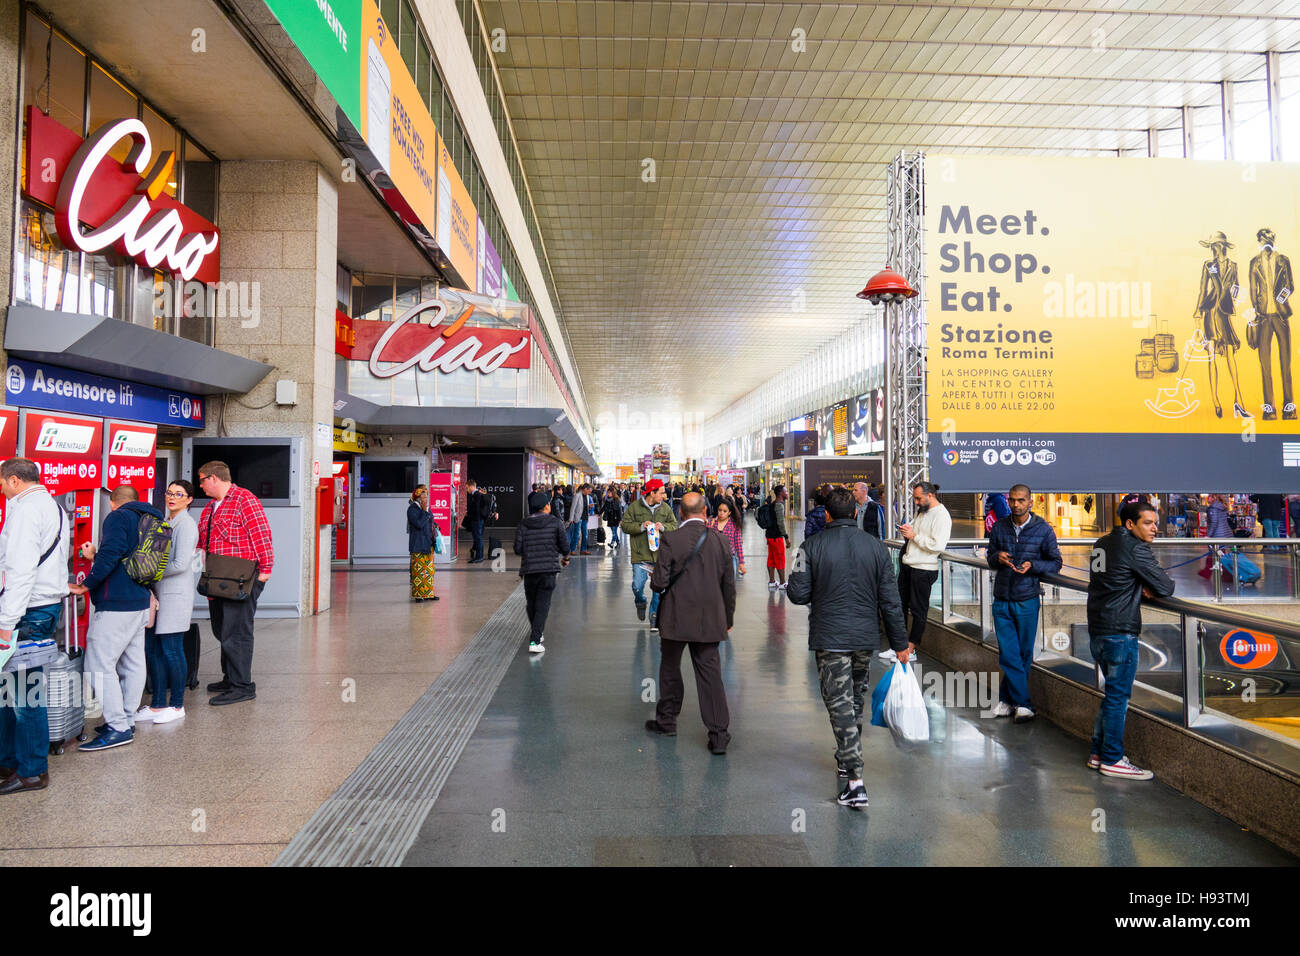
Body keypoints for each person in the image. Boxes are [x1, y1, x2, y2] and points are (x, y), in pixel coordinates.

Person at [788, 488, 909, 808]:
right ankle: (846, 758)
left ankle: (855, 781)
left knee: (839, 703)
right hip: (865, 638)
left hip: (831, 638)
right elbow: (891, 601)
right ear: (855, 513)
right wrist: (900, 644)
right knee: (854, 700)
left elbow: (797, 595)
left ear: (826, 515)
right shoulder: (877, 547)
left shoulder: (809, 546)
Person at [1086, 501, 1175, 779]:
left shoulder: (1102, 542)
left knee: (1111, 696)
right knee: (1118, 698)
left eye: (1155, 522)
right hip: (1120, 631)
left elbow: (1112, 577)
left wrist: (1135, 581)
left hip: (1098, 628)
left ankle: (1098, 753)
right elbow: (1166, 586)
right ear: (1130, 524)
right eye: (1148, 523)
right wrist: (1143, 582)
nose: (1154, 528)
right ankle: (1113, 759)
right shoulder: (1135, 548)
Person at [69, 485, 161, 751]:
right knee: (133, 661)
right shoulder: (152, 518)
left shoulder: (118, 517)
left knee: (98, 664)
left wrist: (87, 582)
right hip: (139, 599)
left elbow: (111, 555)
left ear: (112, 502)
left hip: (117, 601)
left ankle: (118, 727)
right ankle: (127, 719)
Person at [645, 492, 735, 755]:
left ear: (680, 514)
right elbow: (728, 585)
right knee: (710, 674)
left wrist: (656, 577)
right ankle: (719, 735)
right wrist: (727, 618)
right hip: (710, 619)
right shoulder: (720, 540)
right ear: (706, 511)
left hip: (675, 617)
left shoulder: (671, 539)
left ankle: (667, 721)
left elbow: (660, 583)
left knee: (670, 668)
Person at [0, 458, 69, 794]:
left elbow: (20, 571)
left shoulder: (26, 511)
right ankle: (10, 762)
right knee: (10, 691)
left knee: (25, 695)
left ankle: (31, 771)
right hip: (43, 607)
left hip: (28, 612)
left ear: (14, 480)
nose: (1, 489)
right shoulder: (53, 507)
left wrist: (5, 622)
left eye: (2, 483)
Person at [196, 460, 274, 705]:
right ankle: (229, 678)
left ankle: (242, 686)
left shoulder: (244, 500)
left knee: (237, 633)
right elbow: (201, 540)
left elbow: (261, 534)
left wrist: (265, 571)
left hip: (241, 581)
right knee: (222, 630)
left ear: (214, 478)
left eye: (202, 480)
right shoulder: (210, 507)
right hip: (216, 581)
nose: (200, 486)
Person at [985, 484, 1062, 723]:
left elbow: (1055, 562)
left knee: (1024, 653)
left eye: (1020, 500)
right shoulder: (999, 527)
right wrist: (997, 557)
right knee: (1009, 654)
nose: (1015, 504)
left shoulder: (1043, 530)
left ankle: (1008, 700)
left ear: (1031, 502)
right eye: (1012, 500)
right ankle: (1024, 704)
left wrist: (1033, 566)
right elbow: (990, 558)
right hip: (1002, 599)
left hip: (1027, 599)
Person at [136, 480, 200, 725]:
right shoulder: (166, 521)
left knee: (171, 650)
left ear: (189, 499)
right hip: (157, 594)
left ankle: (177, 705)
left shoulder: (186, 524)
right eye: (169, 493)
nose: (172, 497)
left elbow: (180, 564)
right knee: (153, 650)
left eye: (179, 494)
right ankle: (158, 704)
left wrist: (149, 572)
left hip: (174, 595)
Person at [889, 481, 952, 663]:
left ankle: (911, 649)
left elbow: (937, 545)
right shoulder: (922, 511)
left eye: (918, 498)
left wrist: (914, 536)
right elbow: (916, 535)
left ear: (930, 496)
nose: (916, 502)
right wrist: (909, 532)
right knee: (899, 606)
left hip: (923, 569)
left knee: (918, 610)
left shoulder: (941, 516)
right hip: (910, 566)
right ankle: (899, 647)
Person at [1194, 231, 1249, 419]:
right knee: (1211, 356)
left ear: (1222, 246)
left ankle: (1238, 400)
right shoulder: (1208, 266)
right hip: (1210, 312)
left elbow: (1236, 288)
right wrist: (1197, 312)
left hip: (1224, 314)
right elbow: (1203, 289)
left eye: (1216, 246)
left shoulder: (1233, 266)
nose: (1214, 249)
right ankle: (1216, 400)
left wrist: (1235, 298)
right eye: (1212, 247)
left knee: (1230, 356)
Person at [514, 491, 571, 654]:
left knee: (532, 604)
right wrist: (566, 558)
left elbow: (517, 549)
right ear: (546, 506)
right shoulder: (555, 522)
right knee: (543, 605)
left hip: (529, 570)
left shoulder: (523, 523)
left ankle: (536, 632)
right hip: (548, 570)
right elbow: (565, 546)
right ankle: (535, 640)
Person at [1248, 227, 1294, 421]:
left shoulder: (1283, 260)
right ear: (1260, 241)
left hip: (1281, 317)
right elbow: (1252, 289)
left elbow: (1290, 286)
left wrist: (1280, 299)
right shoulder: (1254, 263)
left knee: (1285, 365)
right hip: (1264, 319)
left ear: (1273, 240)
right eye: (1263, 239)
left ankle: (1289, 408)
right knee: (1265, 366)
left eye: (1269, 239)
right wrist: (1256, 310)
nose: (1266, 242)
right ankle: (1269, 409)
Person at [620, 478, 678, 629]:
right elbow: (625, 525)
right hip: (641, 555)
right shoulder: (634, 507)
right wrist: (640, 526)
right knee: (637, 586)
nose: (664, 496)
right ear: (652, 493)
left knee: (659, 589)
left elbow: (674, 525)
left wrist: (663, 526)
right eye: (661, 492)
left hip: (660, 556)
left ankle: (654, 616)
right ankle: (640, 601)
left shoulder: (665, 508)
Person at [1205, 493, 1260, 585]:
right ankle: (1209, 573)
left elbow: (1214, 523)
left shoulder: (1213, 508)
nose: (1207, 498)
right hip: (1226, 534)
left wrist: (1208, 536)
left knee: (1218, 556)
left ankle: (1225, 576)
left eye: (1209, 496)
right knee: (1221, 555)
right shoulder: (1222, 507)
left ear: (1213, 497)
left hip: (1218, 536)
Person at [407, 485, 438, 601]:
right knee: (419, 571)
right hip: (418, 544)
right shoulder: (412, 509)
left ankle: (429, 594)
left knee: (429, 571)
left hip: (428, 543)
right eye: (424, 497)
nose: (426, 499)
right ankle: (419, 596)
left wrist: (435, 525)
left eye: (427, 497)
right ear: (418, 498)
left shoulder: (425, 508)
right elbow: (419, 524)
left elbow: (430, 520)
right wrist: (425, 511)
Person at [708, 499, 745, 578]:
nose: (721, 513)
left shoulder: (734, 525)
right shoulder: (711, 522)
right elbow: (706, 540)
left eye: (725, 511)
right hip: (714, 559)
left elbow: (738, 544)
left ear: (729, 513)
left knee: (729, 585)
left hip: (729, 559)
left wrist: (741, 562)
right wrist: (710, 527)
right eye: (720, 510)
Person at [465, 479, 496, 564]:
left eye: (467, 488)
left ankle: (479, 557)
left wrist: (475, 519)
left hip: (477, 520)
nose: (467, 490)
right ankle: (479, 556)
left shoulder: (477, 495)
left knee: (478, 538)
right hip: (477, 520)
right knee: (477, 538)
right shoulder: (475, 495)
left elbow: (477, 509)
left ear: (472, 486)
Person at [766, 484, 790, 590]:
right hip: (776, 537)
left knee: (771, 558)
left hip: (770, 536)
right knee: (780, 559)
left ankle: (772, 581)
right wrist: (786, 537)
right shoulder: (779, 505)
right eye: (786, 491)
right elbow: (781, 523)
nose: (787, 493)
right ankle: (782, 583)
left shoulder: (772, 504)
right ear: (781, 493)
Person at [602, 486, 625, 551]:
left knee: (614, 532)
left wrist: (620, 519)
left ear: (613, 493)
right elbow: (604, 507)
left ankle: (612, 543)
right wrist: (599, 513)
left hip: (615, 518)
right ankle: (618, 542)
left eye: (609, 493)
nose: (608, 494)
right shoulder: (607, 500)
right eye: (608, 493)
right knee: (613, 531)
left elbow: (619, 510)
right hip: (610, 518)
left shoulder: (617, 500)